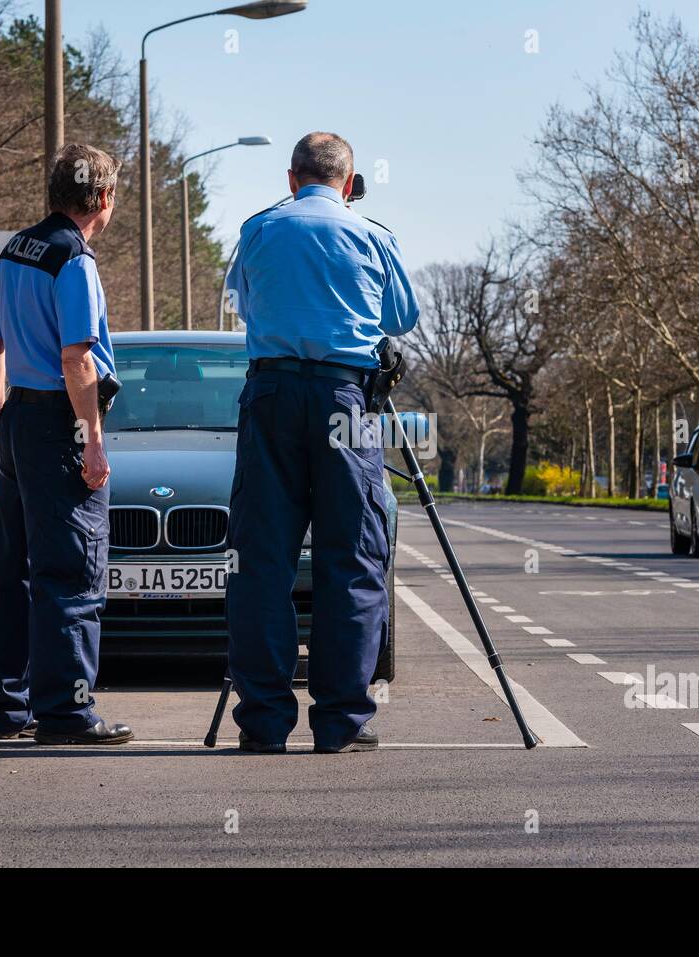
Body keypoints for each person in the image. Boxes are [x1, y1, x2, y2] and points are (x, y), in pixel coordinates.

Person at [224, 131, 420, 754]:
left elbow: (241, 304)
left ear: (291, 177)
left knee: (262, 563)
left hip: (273, 395)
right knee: (352, 560)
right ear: (348, 179)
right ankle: (341, 721)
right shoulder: (372, 235)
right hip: (346, 399)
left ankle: (263, 721)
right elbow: (401, 316)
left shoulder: (259, 229)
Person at [0, 143, 133, 746]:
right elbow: (77, 357)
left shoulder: (15, 249)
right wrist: (92, 439)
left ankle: (5, 709)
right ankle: (67, 713)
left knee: (10, 571)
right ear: (102, 199)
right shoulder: (74, 261)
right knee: (71, 569)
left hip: (17, 417)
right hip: (59, 425)